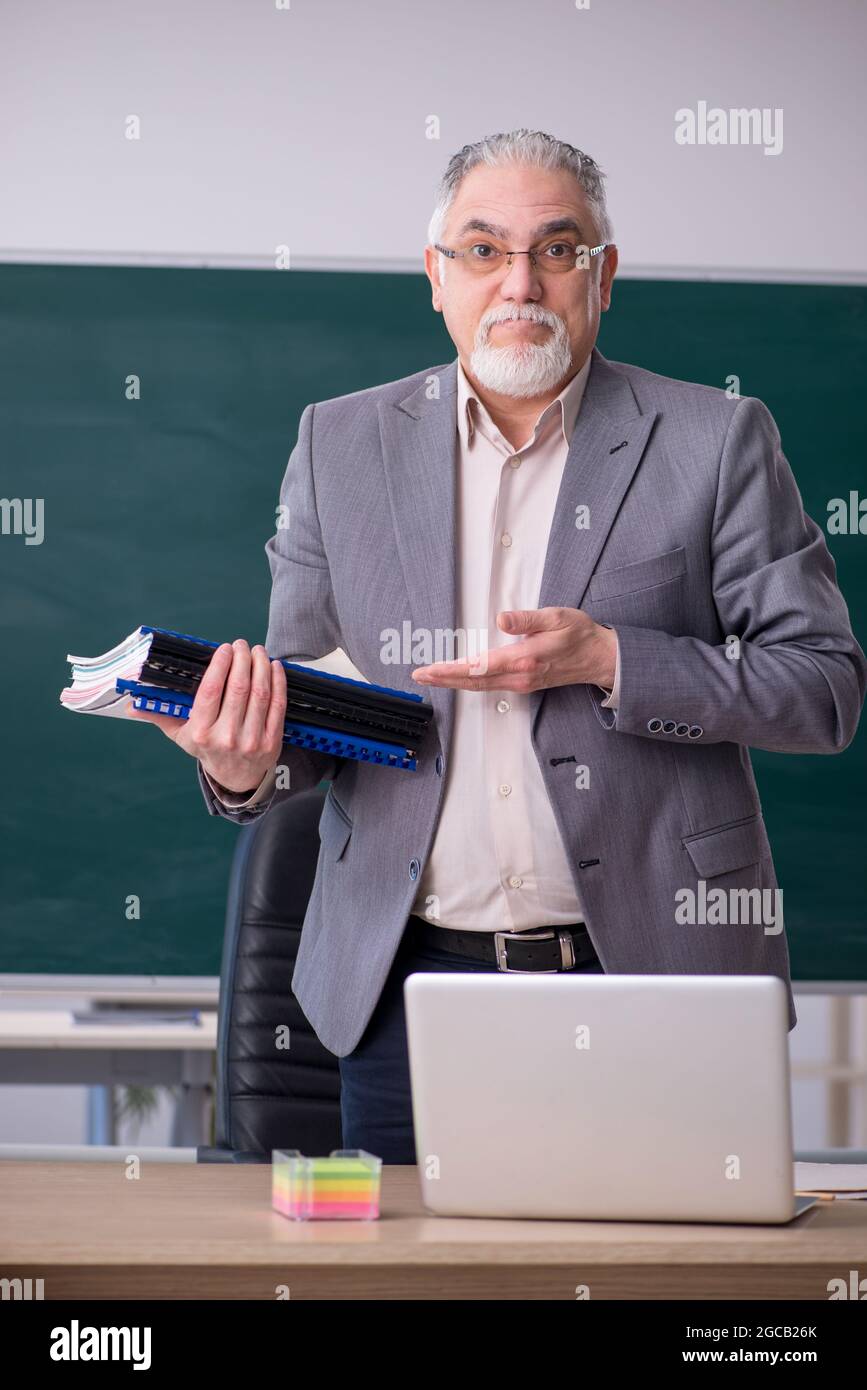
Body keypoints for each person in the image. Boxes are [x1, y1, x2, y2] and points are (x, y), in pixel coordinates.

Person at [132, 129, 867, 1164]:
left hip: (662, 979)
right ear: (437, 276)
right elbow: (310, 711)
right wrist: (243, 766)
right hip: (404, 992)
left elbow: (825, 687)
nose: (519, 282)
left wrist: (611, 658)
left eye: (556, 250)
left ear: (602, 276)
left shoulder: (718, 439)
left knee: (673, 1293)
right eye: (483, 251)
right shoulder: (337, 446)